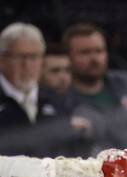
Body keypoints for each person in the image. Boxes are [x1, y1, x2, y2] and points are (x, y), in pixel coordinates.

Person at [59, 22, 127, 162]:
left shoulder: (126, 83)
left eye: (99, 51)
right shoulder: (61, 99)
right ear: (68, 58)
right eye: (85, 52)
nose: (94, 59)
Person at [0, 22, 93, 157]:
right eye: (19, 57)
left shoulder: (56, 99)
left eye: (33, 57)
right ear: (2, 60)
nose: (27, 65)